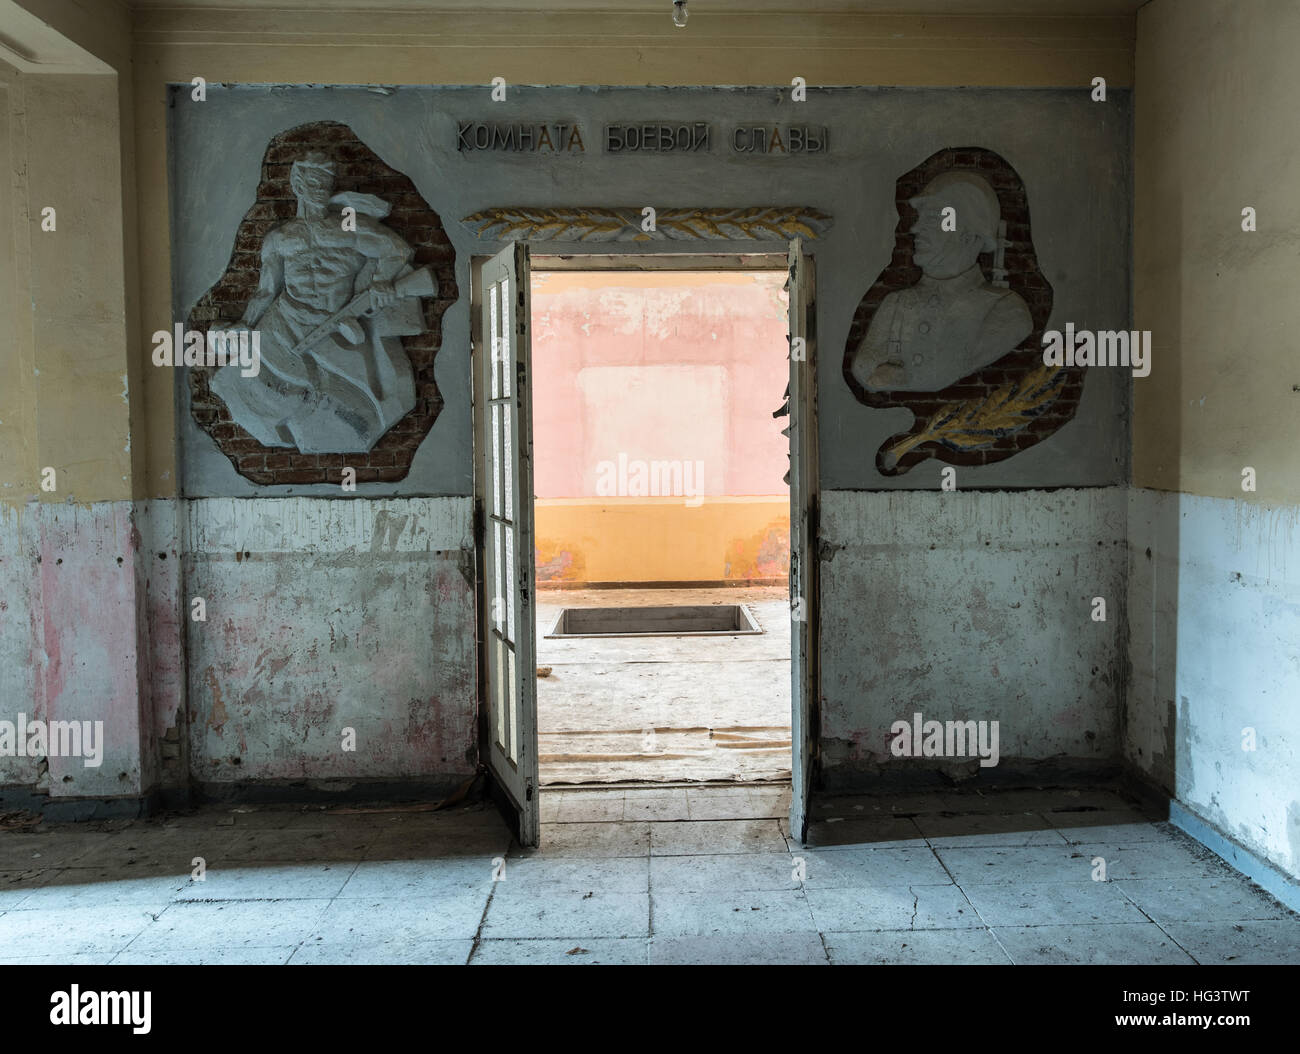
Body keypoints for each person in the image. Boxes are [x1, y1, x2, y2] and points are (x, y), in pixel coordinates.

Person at [209, 152, 425, 453]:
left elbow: (397, 249)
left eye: (326, 180)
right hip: (284, 321)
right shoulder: (279, 238)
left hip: (337, 325)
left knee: (357, 398)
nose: (322, 186)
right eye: (314, 180)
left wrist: (382, 280)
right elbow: (266, 291)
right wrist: (245, 324)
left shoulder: (348, 226)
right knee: (249, 382)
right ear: (298, 184)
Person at [849, 170, 1031, 393]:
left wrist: (897, 375)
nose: (915, 228)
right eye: (921, 218)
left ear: (969, 233)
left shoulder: (1005, 310)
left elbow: (940, 374)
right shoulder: (896, 304)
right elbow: (863, 368)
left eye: (933, 218)